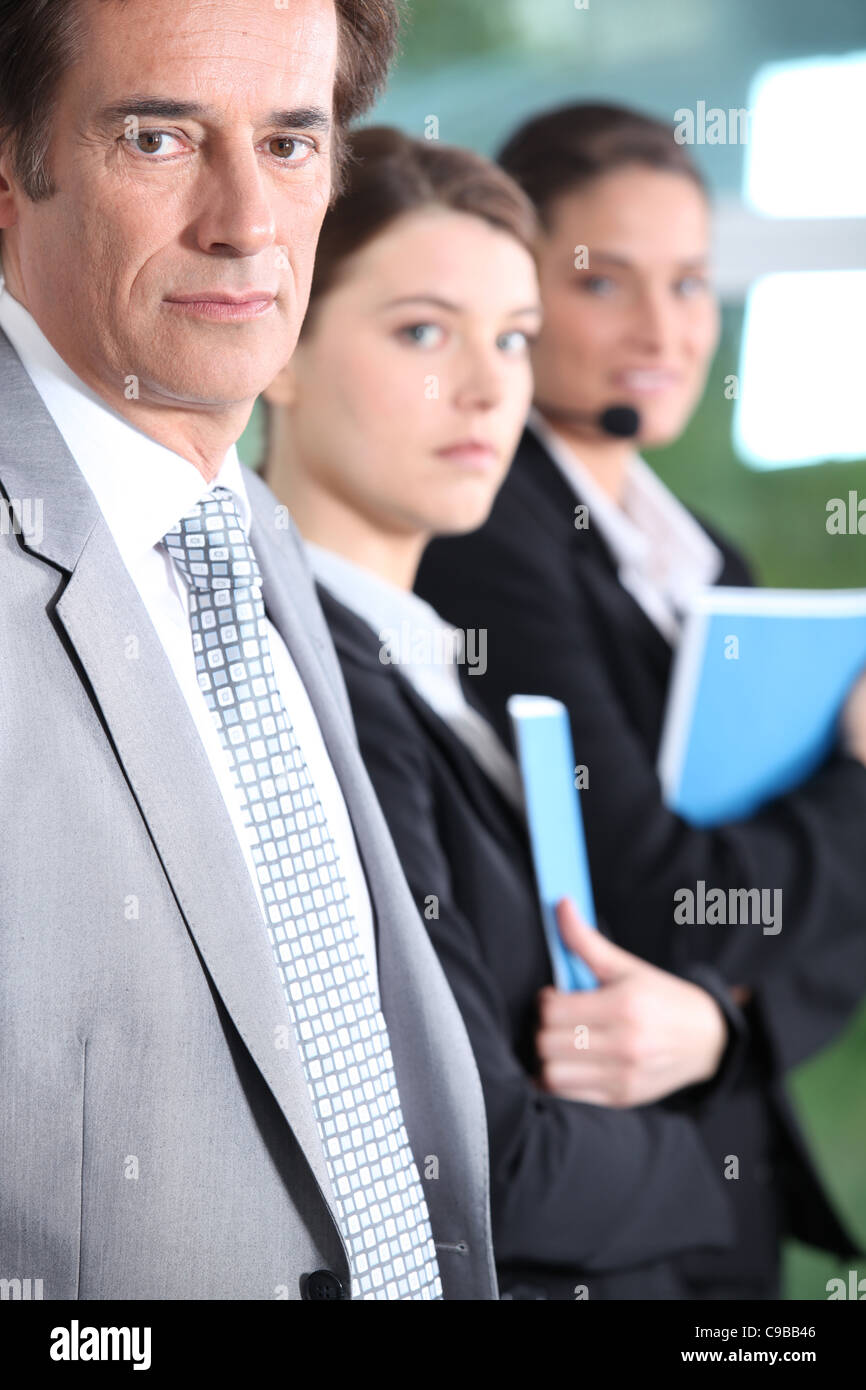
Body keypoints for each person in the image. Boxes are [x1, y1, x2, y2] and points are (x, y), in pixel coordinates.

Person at [0, 0, 499, 1302]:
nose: (247, 222)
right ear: (10, 169)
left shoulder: (248, 527)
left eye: (290, 141)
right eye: (159, 137)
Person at [259, 124, 793, 1300]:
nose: (492, 384)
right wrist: (712, 1164)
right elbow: (473, 1161)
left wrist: (691, 1029)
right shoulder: (303, 688)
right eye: (420, 332)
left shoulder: (454, 681)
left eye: (512, 336)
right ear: (279, 347)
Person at [415, 103, 866, 1296]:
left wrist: (724, 1023)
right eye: (603, 282)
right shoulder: (486, 530)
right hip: (610, 1203)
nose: (663, 331)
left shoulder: (706, 561)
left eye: (688, 284)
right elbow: (659, 898)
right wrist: (858, 783)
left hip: (722, 1171)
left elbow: (820, 932)